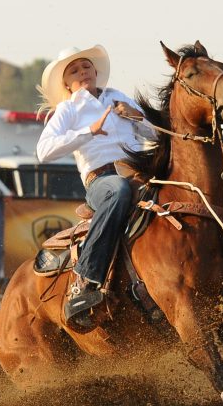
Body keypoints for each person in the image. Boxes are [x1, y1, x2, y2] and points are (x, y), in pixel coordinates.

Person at [36, 45, 157, 329]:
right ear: (67, 83)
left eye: (86, 67)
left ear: (95, 71)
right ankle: (85, 278)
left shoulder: (118, 97)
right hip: (102, 180)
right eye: (75, 70)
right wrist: (88, 132)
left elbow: (157, 133)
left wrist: (137, 116)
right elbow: (44, 150)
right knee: (118, 191)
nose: (83, 72)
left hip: (138, 172)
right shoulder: (68, 109)